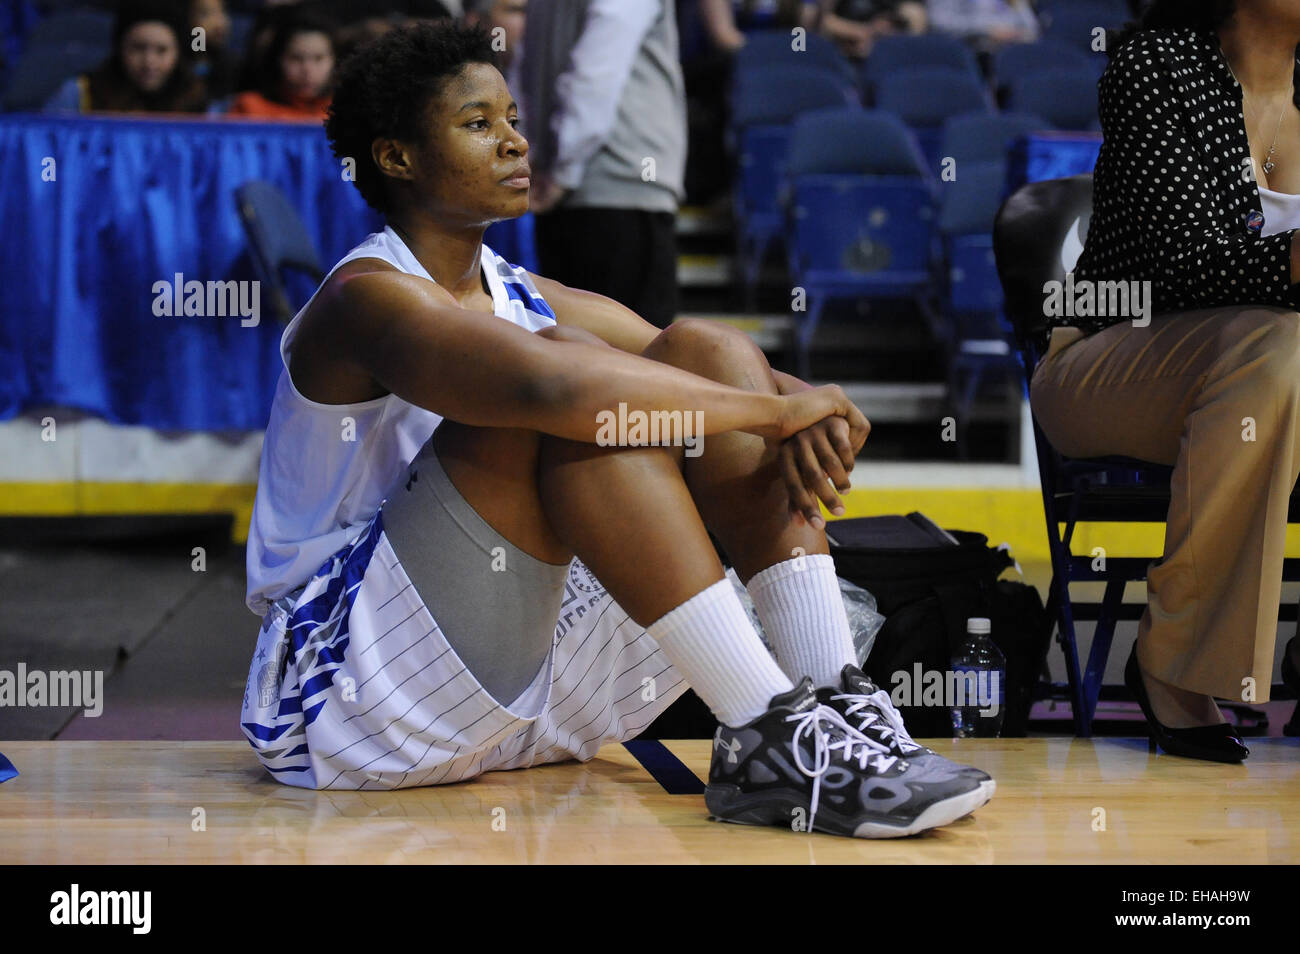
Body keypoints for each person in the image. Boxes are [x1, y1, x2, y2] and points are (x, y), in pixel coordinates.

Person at [239, 20, 994, 838]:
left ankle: (831, 703)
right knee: (573, 388)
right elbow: (549, 382)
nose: (513, 142)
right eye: (477, 123)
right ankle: (767, 729)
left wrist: (808, 399)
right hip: (348, 690)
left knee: (708, 348)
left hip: (520, 679)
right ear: (395, 157)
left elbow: (707, 370)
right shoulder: (366, 297)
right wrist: (776, 415)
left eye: (514, 119)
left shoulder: (512, 285)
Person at [1030, 0, 1300, 762]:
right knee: (1278, 346)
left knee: (1282, 353)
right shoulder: (1160, 67)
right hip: (1111, 355)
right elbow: (1180, 268)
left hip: (1269, 382)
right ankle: (1175, 665)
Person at [520, 1, 687, 330]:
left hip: (562, 186)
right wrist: (562, 171)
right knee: (639, 363)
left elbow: (528, 71)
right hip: (617, 187)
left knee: (573, 357)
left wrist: (542, 162)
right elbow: (595, 71)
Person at [44, 0, 207, 114]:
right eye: (138, 48)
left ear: (178, 53)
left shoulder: (198, 101)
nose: (149, 62)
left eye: (161, 50)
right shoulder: (79, 95)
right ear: (120, 48)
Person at [227, 12, 335, 121]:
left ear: (334, 59)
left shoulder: (343, 111)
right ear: (277, 59)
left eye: (318, 58)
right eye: (296, 58)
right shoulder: (249, 107)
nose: (307, 69)